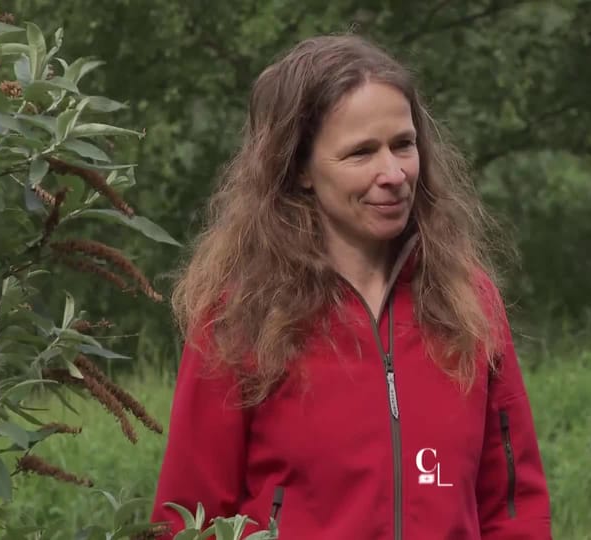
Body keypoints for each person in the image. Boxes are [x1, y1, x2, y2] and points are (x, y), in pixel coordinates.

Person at [148, 33, 552, 540]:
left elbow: (513, 505)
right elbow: (189, 518)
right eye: (361, 153)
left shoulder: (466, 299)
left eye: (403, 145)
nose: (393, 173)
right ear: (299, 169)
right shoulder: (239, 315)